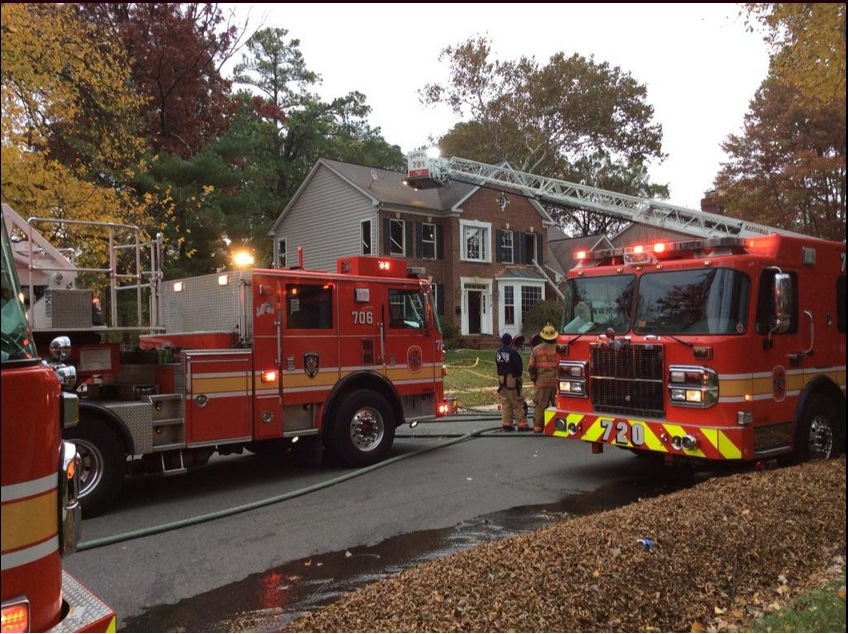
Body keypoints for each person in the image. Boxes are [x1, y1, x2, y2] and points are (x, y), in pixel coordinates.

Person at [528, 323, 559, 433]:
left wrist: (533, 378)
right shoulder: (560, 349)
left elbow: (531, 367)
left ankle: (538, 427)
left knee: (541, 405)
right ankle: (559, 427)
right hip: (557, 382)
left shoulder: (536, 350)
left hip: (541, 382)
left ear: (542, 337)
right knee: (559, 406)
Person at [496, 333, 529, 432]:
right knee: (516, 401)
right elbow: (518, 367)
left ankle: (507, 423)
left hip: (501, 379)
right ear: (511, 341)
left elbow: (498, 365)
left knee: (506, 402)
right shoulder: (513, 353)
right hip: (511, 379)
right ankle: (522, 424)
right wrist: (517, 377)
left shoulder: (498, 352)